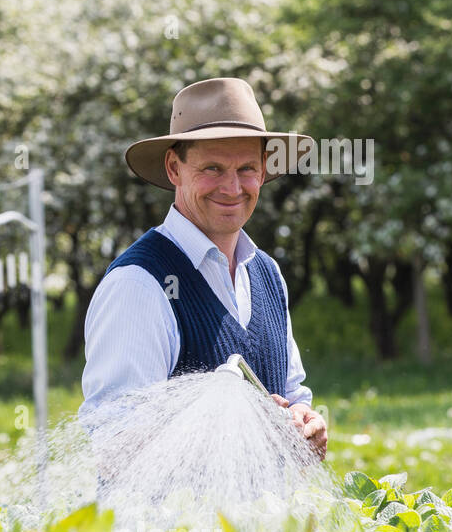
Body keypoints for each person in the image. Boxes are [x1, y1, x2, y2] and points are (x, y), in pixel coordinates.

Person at [79, 77, 327, 458]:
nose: (232, 187)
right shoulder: (139, 284)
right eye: (212, 168)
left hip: (266, 519)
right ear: (174, 168)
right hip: (173, 520)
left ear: (264, 170)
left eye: (247, 168)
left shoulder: (267, 275)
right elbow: (116, 450)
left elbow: (292, 394)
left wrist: (303, 422)